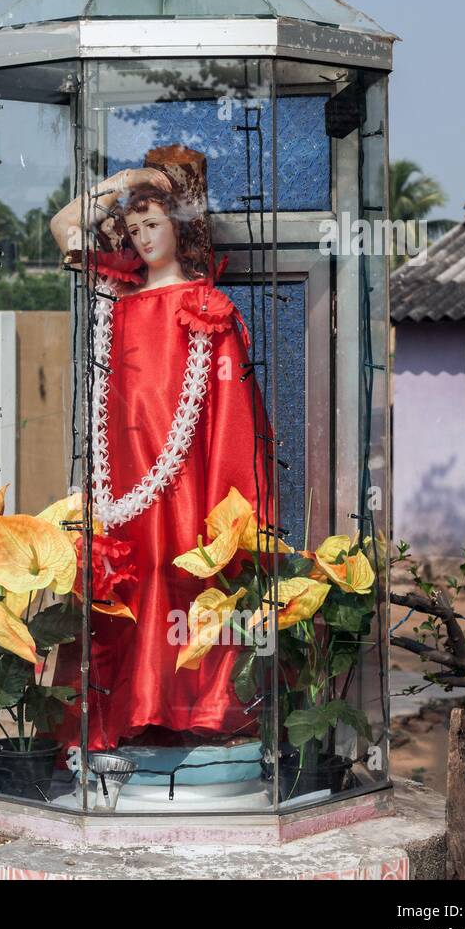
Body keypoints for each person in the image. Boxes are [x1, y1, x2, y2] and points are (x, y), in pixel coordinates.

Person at [49, 146, 275, 751]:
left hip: (181, 477)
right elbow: (63, 225)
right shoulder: (113, 296)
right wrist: (128, 182)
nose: (144, 238)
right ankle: (128, 706)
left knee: (177, 570)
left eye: (156, 223)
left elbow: (231, 421)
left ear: (182, 227)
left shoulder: (205, 309)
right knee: (126, 574)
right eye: (135, 226)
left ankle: (186, 704)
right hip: (122, 476)